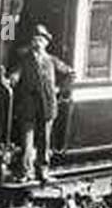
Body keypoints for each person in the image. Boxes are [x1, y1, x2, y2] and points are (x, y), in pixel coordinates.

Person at [5, 24, 71, 182]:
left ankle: (43, 171)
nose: (37, 43)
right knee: (27, 141)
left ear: (46, 43)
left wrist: (60, 89)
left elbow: (70, 73)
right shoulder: (25, 60)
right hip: (28, 106)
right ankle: (25, 172)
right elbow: (15, 75)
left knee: (44, 141)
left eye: (41, 40)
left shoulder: (52, 61)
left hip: (47, 106)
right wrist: (9, 80)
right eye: (35, 40)